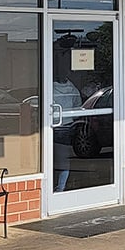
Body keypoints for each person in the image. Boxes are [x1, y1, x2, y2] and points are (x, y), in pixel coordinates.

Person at [53, 48, 82, 191]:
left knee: (53, 160)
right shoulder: (72, 88)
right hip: (67, 126)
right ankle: (60, 188)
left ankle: (59, 189)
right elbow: (78, 106)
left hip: (56, 126)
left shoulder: (49, 87)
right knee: (63, 160)